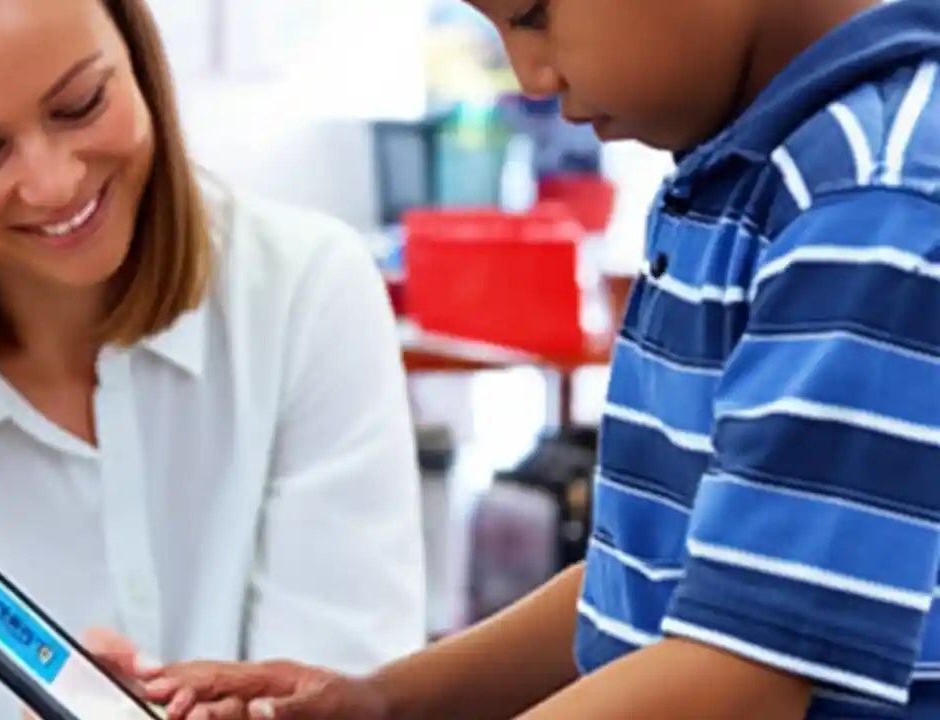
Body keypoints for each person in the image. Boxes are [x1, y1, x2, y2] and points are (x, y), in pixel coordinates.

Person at [117, 0, 940, 718]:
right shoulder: (732, 174)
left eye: (535, 13)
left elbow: (738, 681)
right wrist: (382, 702)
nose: (532, 77)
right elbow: (648, 580)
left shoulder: (868, 199)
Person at [0, 1, 428, 718]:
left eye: (81, 104)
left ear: (136, 51)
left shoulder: (305, 296)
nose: (57, 182)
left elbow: (351, 684)